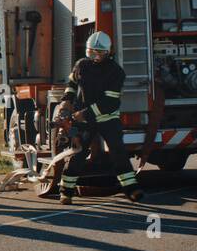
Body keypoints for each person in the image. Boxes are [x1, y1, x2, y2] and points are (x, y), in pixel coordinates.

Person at [58, 31, 143, 204]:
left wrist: (85, 114)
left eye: (99, 53)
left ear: (108, 52)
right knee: (77, 154)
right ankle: (66, 192)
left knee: (118, 153)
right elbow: (72, 85)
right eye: (91, 52)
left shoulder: (115, 72)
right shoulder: (81, 65)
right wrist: (66, 102)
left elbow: (110, 103)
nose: (95, 57)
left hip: (107, 119)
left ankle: (131, 190)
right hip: (84, 120)